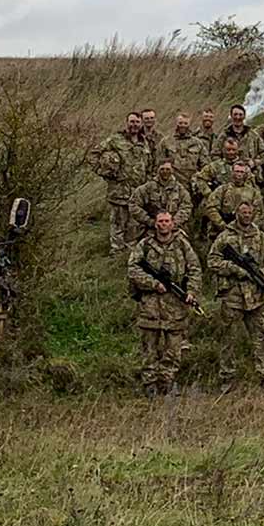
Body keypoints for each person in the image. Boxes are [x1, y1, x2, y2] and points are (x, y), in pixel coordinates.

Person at [126, 211, 202, 398]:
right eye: (160, 221)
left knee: (174, 349)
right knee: (149, 349)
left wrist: (191, 292)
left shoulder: (182, 245)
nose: (164, 224)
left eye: (167, 221)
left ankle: (167, 382)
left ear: (172, 223)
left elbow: (195, 269)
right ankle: (150, 384)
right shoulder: (144, 246)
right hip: (150, 306)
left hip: (175, 306)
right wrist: (153, 284)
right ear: (155, 224)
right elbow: (133, 269)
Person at [209, 197, 264, 389]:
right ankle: (227, 378)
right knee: (228, 338)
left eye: (249, 212)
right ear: (236, 213)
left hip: (256, 297)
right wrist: (234, 269)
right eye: (243, 212)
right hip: (232, 296)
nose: (246, 215)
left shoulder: (261, 237)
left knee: (262, 336)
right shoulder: (225, 237)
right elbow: (213, 261)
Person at [89, 112, 155, 256]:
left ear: (141, 124)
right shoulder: (115, 139)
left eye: (137, 122)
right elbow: (94, 154)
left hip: (137, 193)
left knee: (134, 225)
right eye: (132, 122)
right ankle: (116, 252)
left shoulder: (145, 142)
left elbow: (149, 166)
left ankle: (130, 254)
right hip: (119, 192)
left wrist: (147, 185)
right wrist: (103, 172)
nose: (134, 125)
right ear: (127, 122)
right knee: (118, 224)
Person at [137, 158, 193, 233]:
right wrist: (149, 221)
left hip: (175, 229)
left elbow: (187, 207)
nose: (165, 172)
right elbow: (134, 204)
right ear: (158, 170)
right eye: (162, 169)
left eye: (168, 169)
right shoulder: (147, 188)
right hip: (151, 229)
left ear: (172, 170)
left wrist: (174, 222)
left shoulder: (180, 189)